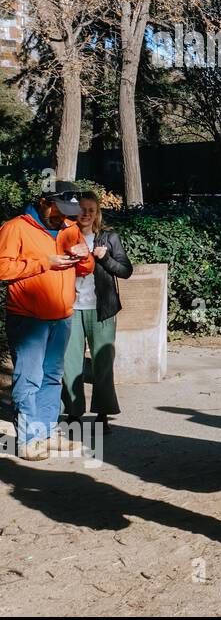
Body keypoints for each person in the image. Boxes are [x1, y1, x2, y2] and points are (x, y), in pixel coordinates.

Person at [0, 182, 93, 461]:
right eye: (59, 209)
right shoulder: (15, 227)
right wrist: (45, 262)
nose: (63, 217)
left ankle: (47, 432)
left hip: (62, 316)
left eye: (69, 212)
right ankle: (29, 440)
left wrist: (84, 257)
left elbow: (85, 269)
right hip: (28, 318)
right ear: (43, 201)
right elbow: (3, 268)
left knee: (52, 377)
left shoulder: (69, 227)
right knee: (29, 378)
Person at [61, 191, 133, 432]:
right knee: (71, 363)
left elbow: (125, 270)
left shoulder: (109, 238)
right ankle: (73, 413)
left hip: (102, 309)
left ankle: (102, 414)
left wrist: (105, 259)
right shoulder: (65, 237)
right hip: (71, 308)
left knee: (102, 362)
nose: (86, 214)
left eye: (91, 210)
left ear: (97, 212)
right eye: (81, 209)